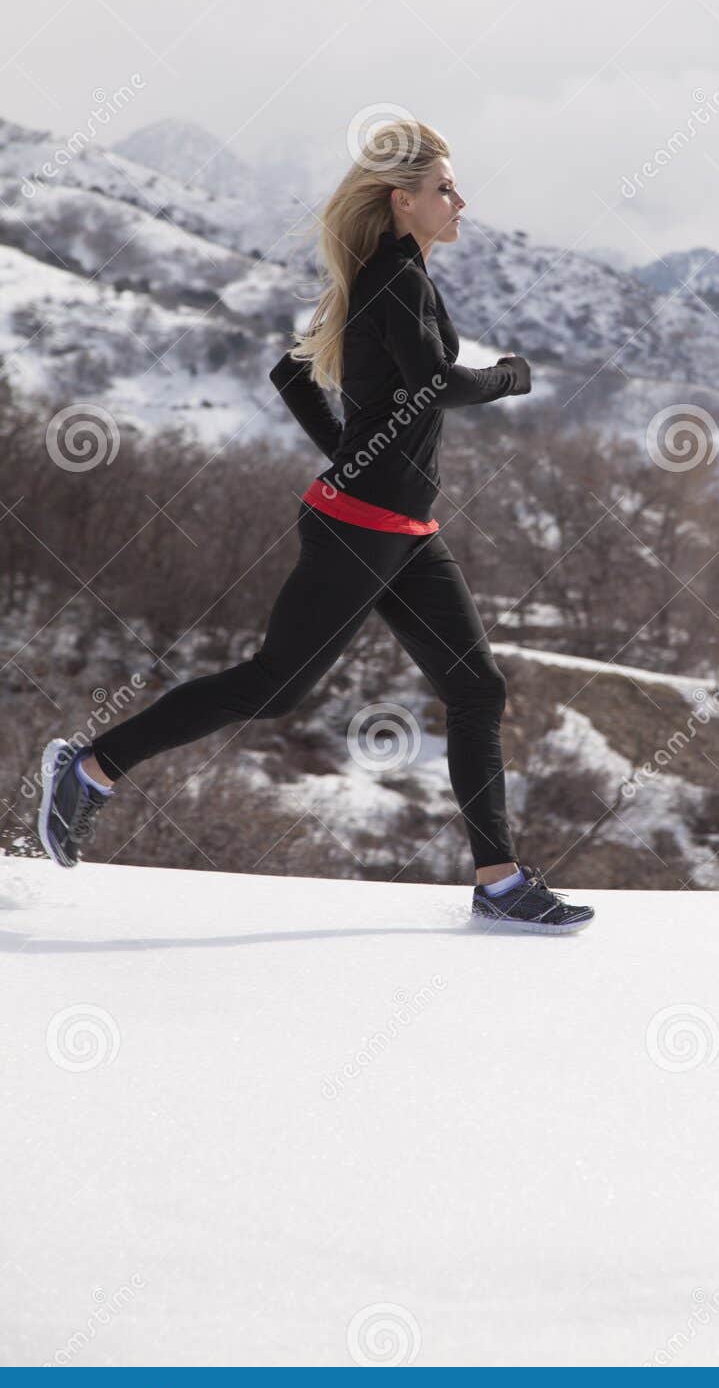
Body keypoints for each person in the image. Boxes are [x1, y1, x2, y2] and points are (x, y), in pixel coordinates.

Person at [37, 118, 594, 933]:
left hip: (403, 527)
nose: (459, 199)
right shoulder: (392, 277)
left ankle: (500, 882)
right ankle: (91, 767)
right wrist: (509, 377)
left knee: (476, 687)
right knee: (275, 686)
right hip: (360, 527)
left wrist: (353, 450)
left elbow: (291, 370)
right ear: (402, 202)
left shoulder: (394, 274)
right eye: (444, 188)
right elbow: (437, 383)